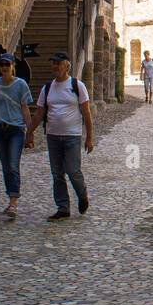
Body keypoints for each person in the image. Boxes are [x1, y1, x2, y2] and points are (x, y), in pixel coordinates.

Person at [27, 51, 94, 221]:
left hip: (72, 135)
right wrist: (29, 132)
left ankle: (82, 193)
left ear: (67, 66)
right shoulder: (47, 88)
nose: (54, 66)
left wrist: (89, 137)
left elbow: (86, 113)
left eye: (58, 63)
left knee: (73, 170)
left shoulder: (77, 86)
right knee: (57, 174)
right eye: (53, 63)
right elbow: (39, 113)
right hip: (53, 136)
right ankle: (63, 208)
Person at [0, 52, 33, 218]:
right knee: (6, 166)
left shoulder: (21, 85)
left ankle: (13, 202)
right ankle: (10, 198)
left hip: (16, 129)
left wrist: (30, 132)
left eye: (7, 64)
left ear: (13, 67)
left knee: (13, 164)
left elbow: (25, 108)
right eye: (2, 65)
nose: (4, 67)